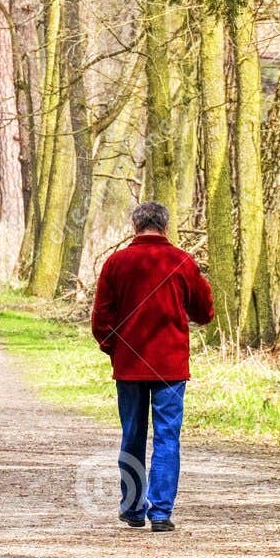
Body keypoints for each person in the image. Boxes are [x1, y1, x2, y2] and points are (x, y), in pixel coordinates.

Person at [90, 200, 215, 531]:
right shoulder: (182, 262)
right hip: (170, 367)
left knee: (132, 435)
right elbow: (205, 311)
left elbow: (101, 318)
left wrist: (114, 349)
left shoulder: (116, 262)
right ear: (166, 227)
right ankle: (160, 513)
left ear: (134, 227)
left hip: (129, 365)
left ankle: (132, 508)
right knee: (167, 437)